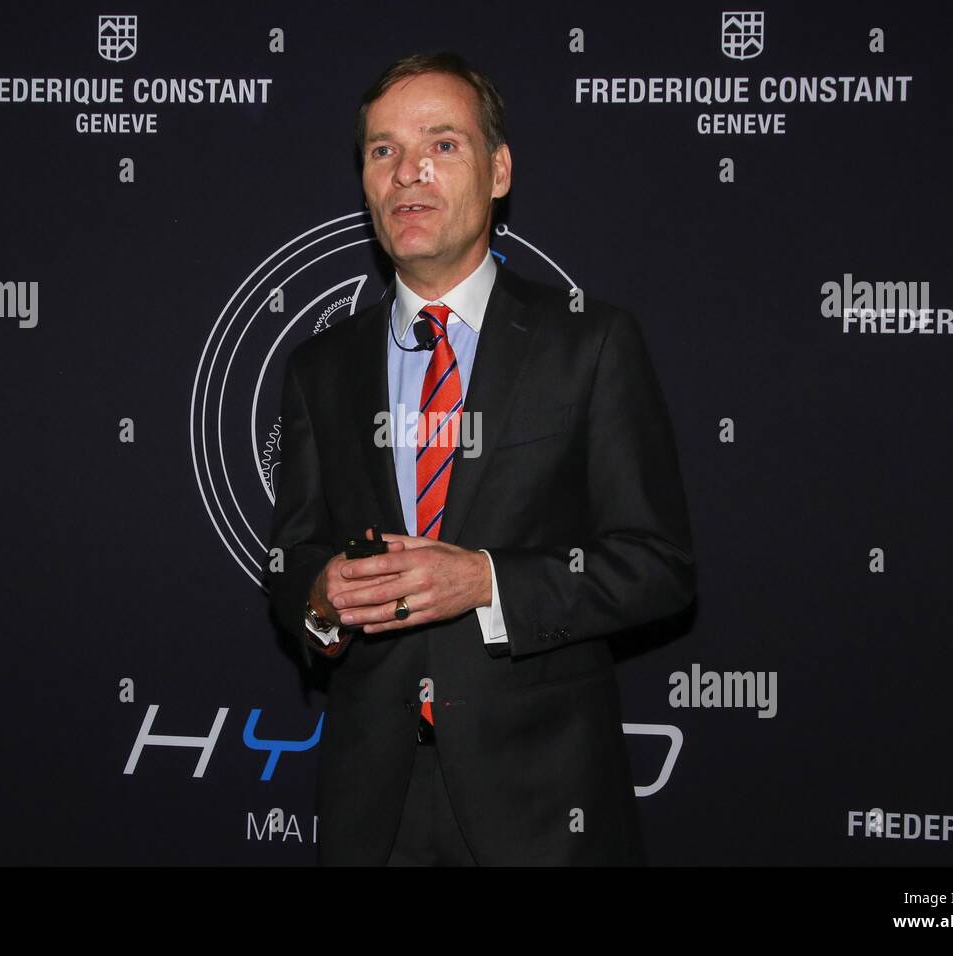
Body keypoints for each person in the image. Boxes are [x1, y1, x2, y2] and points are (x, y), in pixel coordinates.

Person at [266, 51, 695, 865]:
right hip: (371, 809)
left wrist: (487, 581)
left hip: (542, 809)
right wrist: (320, 602)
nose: (408, 172)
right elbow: (293, 561)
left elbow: (659, 564)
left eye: (442, 144)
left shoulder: (589, 343)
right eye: (382, 150)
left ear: (499, 171)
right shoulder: (320, 367)